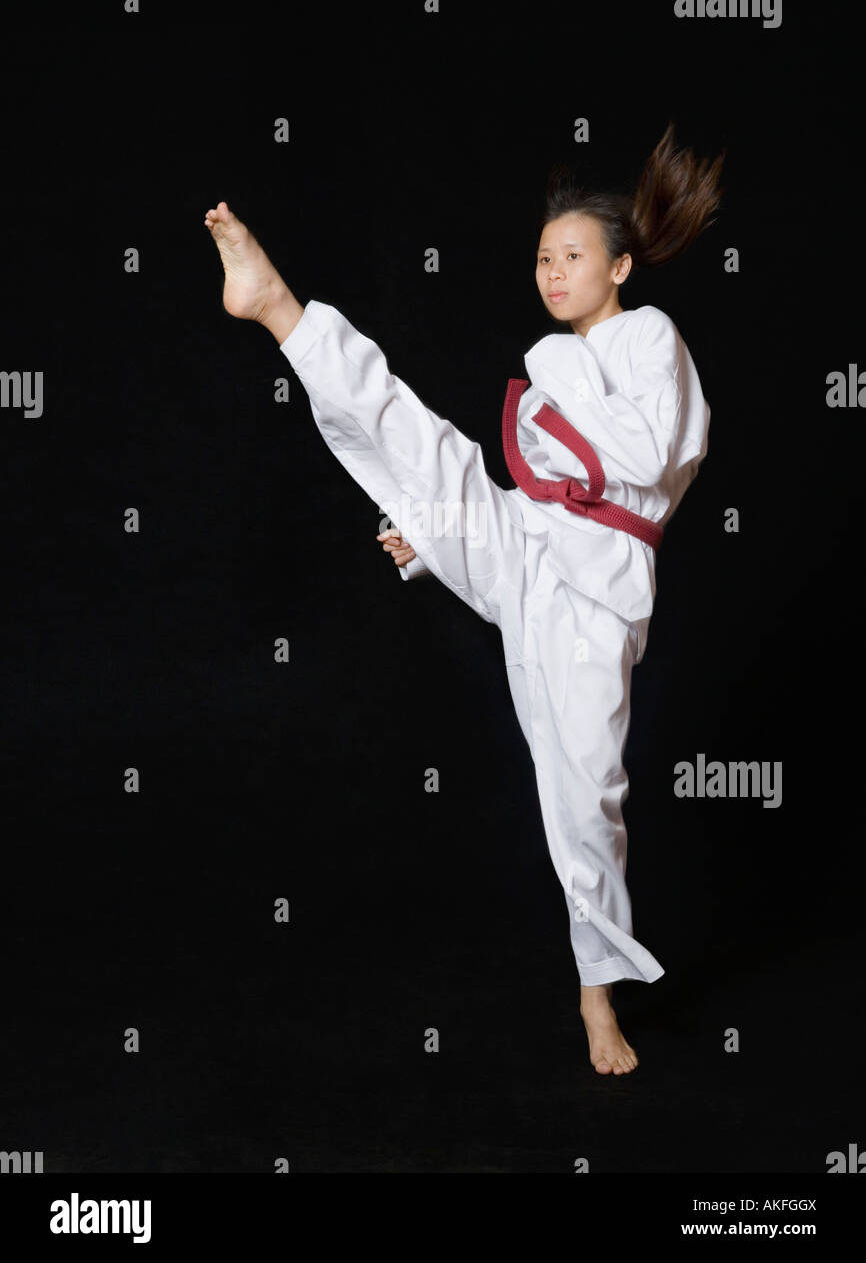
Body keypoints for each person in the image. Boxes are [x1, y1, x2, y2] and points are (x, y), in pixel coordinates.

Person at [203, 121, 724, 1075]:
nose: (552, 271)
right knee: (419, 444)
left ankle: (594, 997)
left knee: (587, 791)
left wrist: (554, 372)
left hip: (597, 583)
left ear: (620, 268)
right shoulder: (555, 367)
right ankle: (278, 306)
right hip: (525, 541)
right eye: (542, 257)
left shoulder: (649, 340)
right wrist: (440, 541)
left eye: (571, 256)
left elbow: (645, 459)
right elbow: (540, 482)